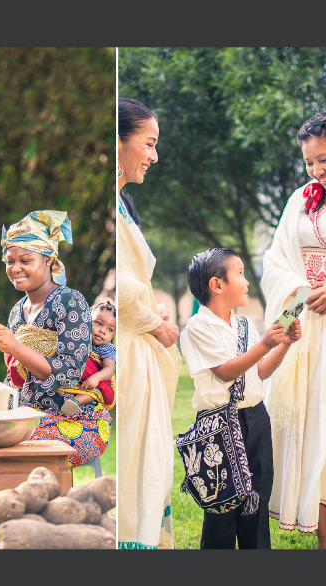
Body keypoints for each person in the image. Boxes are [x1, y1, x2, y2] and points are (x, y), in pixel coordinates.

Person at [259, 110, 326, 548]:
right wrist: (299, 289)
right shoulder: (300, 199)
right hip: (305, 318)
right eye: (310, 162)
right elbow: (274, 260)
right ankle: (325, 536)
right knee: (309, 422)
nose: (317, 170)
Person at [180, 248, 301, 549]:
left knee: (256, 502)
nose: (247, 282)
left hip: (256, 419)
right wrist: (264, 344)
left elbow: (260, 371)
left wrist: (282, 344)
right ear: (217, 285)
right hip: (217, 426)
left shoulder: (245, 325)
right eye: (240, 274)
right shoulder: (197, 328)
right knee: (221, 506)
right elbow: (224, 372)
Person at [0, 210, 111, 466]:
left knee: (11, 450)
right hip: (29, 416)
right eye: (9, 261)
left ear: (48, 260)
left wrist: (16, 347)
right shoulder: (17, 312)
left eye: (25, 260)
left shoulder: (70, 301)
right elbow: (16, 378)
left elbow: (68, 373)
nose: (15, 268)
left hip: (77, 419)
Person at [115, 98, 181, 549]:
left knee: (149, 455)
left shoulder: (123, 205)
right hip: (129, 344)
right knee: (135, 457)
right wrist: (154, 323)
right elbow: (120, 287)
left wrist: (154, 314)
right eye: (148, 143)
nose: (154, 156)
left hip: (139, 343)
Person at [73, 300, 117, 411]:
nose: (103, 331)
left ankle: (75, 402)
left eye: (110, 329)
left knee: (96, 392)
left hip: (92, 383)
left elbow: (109, 369)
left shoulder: (106, 348)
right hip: (73, 378)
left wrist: (96, 377)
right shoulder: (78, 336)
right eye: (98, 323)